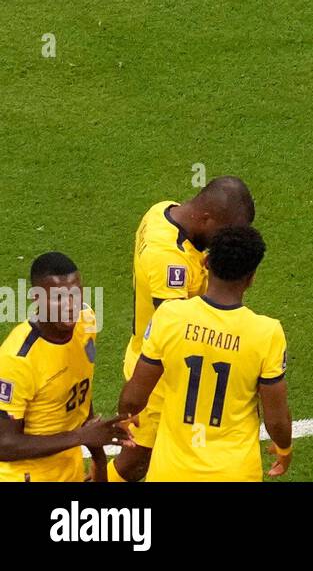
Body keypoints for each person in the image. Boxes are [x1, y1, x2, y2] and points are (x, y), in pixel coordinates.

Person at [118, 225, 292, 481]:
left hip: (170, 473)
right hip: (234, 473)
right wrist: (284, 449)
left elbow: (135, 396)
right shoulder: (267, 333)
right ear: (252, 276)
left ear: (207, 261)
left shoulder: (169, 316)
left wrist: (124, 416)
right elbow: (276, 419)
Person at [112, 175, 255, 481]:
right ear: (205, 218)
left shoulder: (162, 209)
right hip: (160, 376)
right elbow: (177, 329)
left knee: (145, 460)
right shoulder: (169, 263)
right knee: (133, 463)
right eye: (225, 232)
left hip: (148, 355)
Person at [0, 252, 129, 482]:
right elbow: (4, 444)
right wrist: (81, 436)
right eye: (58, 297)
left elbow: (80, 388)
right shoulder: (17, 359)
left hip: (71, 471)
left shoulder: (86, 322)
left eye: (75, 294)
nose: (70, 306)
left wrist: (98, 460)